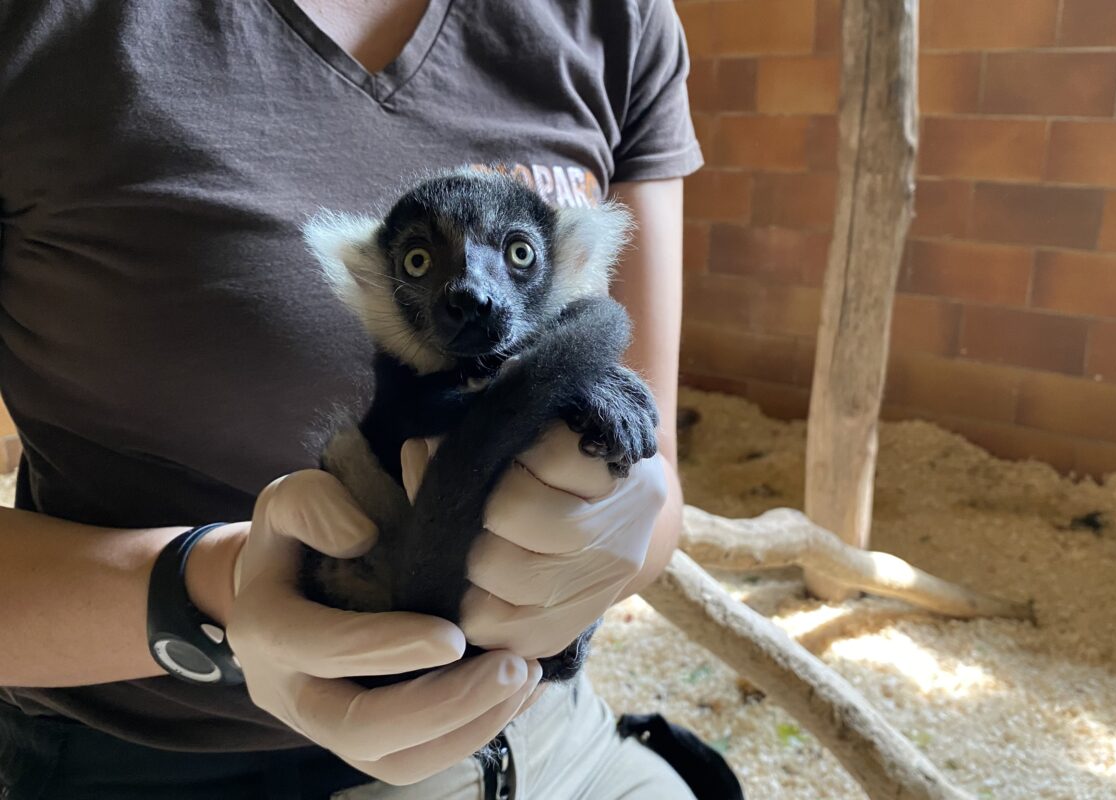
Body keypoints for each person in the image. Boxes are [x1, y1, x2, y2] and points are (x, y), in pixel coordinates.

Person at [0, 0, 705, 798]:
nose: (472, 293)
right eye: (417, 265)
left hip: (546, 739)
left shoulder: (616, 18)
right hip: (168, 764)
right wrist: (202, 588)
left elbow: (654, 481)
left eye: (514, 254)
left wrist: (598, 545)